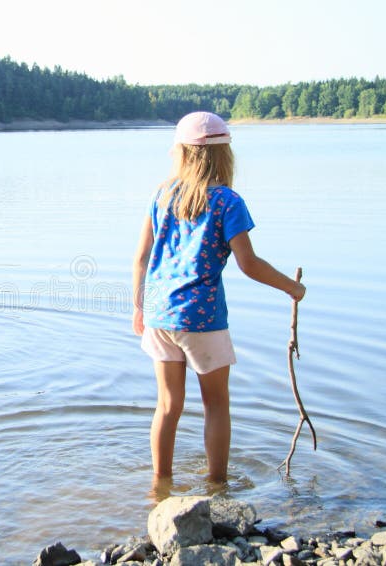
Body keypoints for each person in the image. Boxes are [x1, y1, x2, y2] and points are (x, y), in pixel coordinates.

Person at [131, 111, 305, 483]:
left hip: (161, 314)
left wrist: (139, 308)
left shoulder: (162, 195)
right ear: (224, 154)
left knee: (167, 405)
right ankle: (217, 486)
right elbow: (249, 263)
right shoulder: (228, 202)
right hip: (203, 318)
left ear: (181, 153)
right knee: (216, 404)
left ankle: (159, 486)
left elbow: (142, 258)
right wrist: (291, 287)